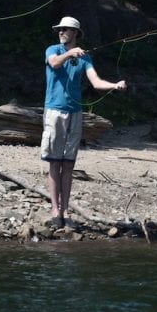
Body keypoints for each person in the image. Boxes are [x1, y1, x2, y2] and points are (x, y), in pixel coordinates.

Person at [42, 15, 126, 229]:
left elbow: (96, 82)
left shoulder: (85, 58)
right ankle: (54, 211)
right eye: (60, 29)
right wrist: (70, 53)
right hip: (54, 112)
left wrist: (115, 85)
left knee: (68, 164)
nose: (62, 32)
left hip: (75, 113)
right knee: (54, 161)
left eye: (66, 30)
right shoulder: (52, 50)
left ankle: (66, 211)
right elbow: (54, 64)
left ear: (76, 34)